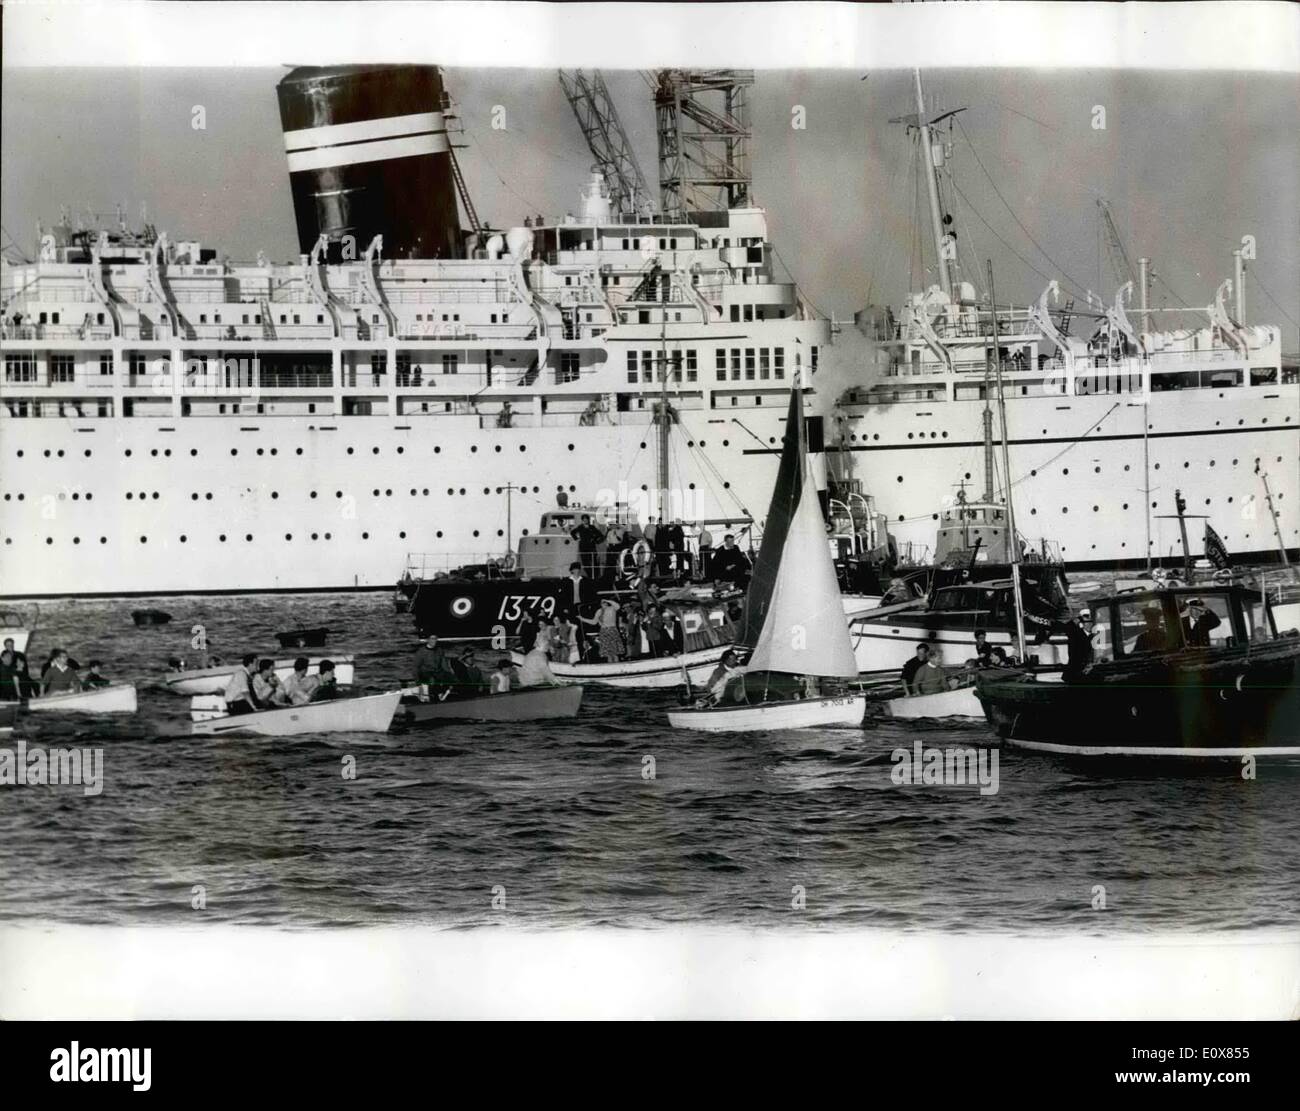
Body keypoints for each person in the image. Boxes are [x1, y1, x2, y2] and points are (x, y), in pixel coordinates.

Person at [414, 635, 458, 699]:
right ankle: (432, 698)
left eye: (435, 639)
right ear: (428, 640)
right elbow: (415, 667)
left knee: (451, 678)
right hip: (425, 673)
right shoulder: (421, 652)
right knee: (432, 680)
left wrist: (451, 675)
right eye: (432, 639)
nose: (434, 641)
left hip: (437, 672)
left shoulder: (439, 651)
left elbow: (444, 665)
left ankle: (445, 694)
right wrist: (417, 681)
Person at [582, 598, 624, 662]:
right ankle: (610, 668)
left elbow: (618, 606)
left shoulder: (612, 608)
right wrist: (582, 619)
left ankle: (617, 667)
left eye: (604, 602)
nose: (603, 603)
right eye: (602, 602)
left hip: (612, 630)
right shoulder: (599, 611)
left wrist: (608, 600)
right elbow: (594, 622)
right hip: (603, 631)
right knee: (608, 654)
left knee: (615, 653)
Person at [1062, 610, 1095, 682]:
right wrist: (1079, 618)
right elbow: (1067, 627)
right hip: (1074, 673)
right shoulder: (1076, 634)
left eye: (1091, 622)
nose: (1090, 624)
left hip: (1089, 674)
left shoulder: (1094, 636)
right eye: (1087, 622)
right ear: (1082, 624)